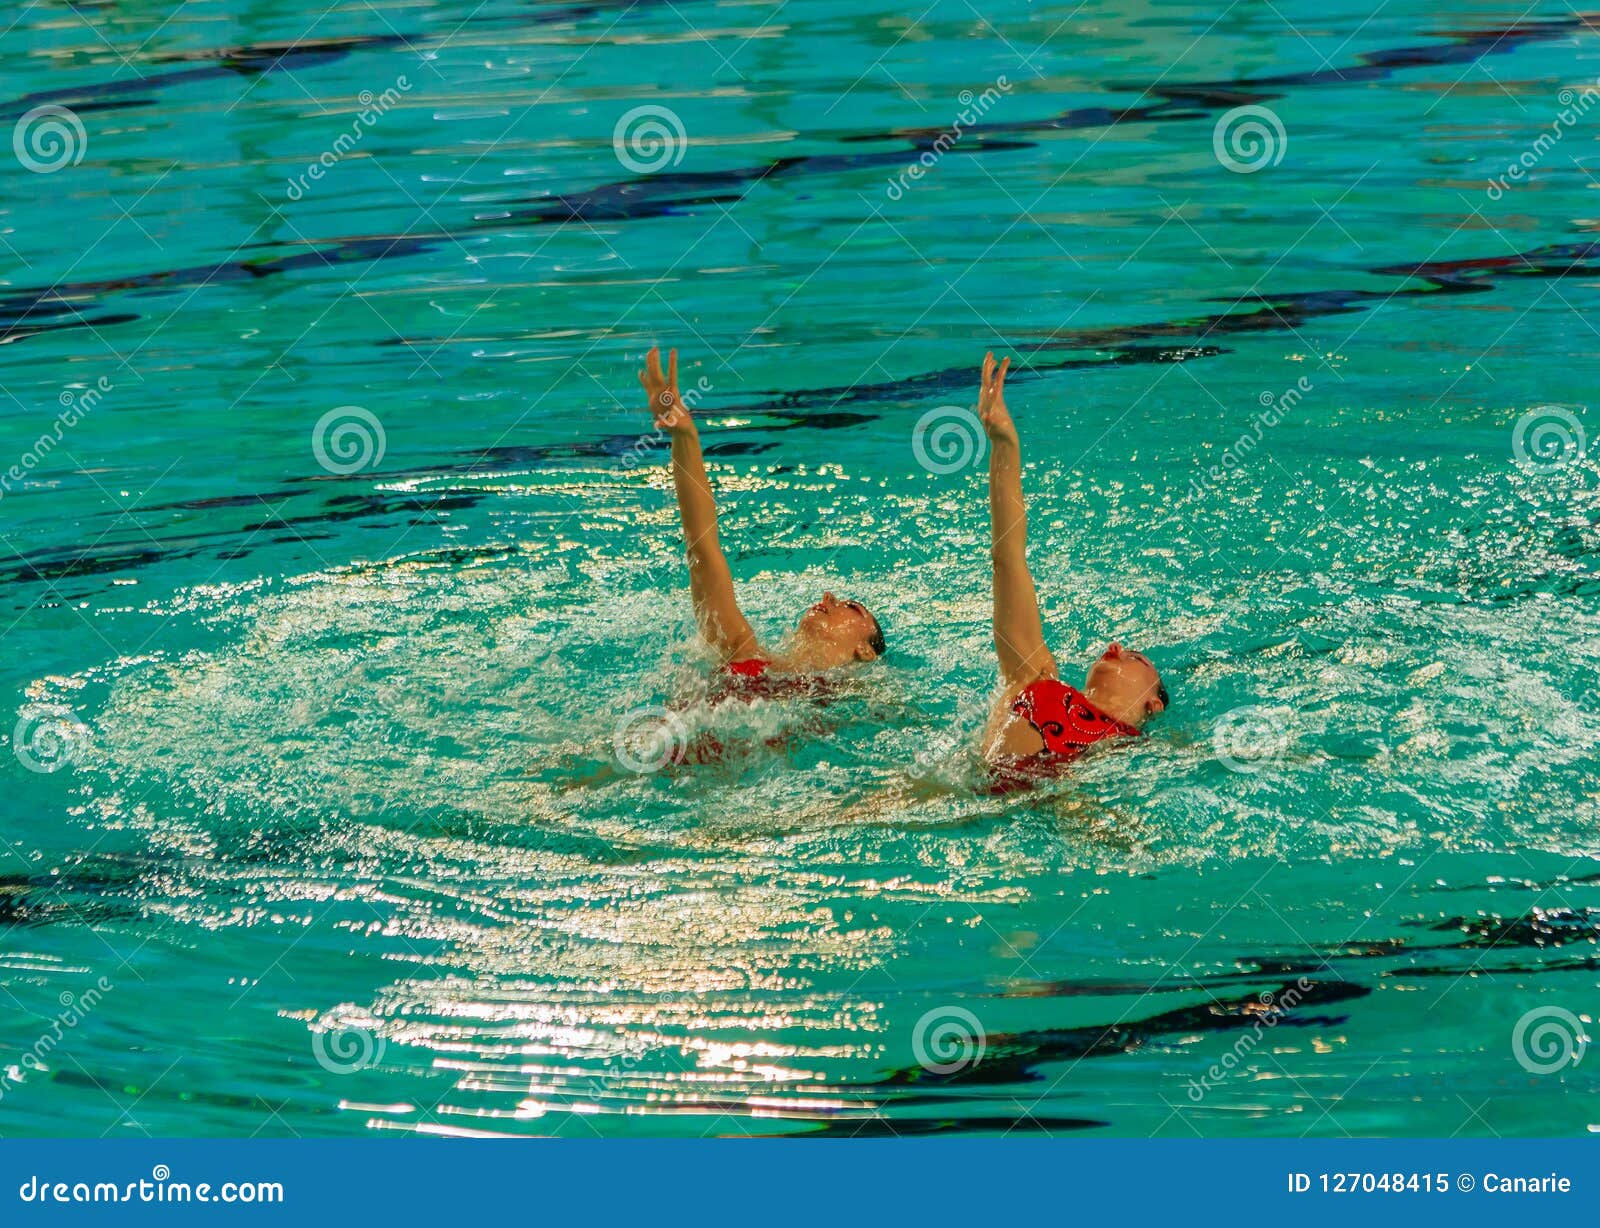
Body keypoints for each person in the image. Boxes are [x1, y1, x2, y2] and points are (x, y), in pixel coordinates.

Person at [638, 345, 886, 689]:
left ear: (865, 651)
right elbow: (702, 547)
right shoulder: (742, 649)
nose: (829, 596)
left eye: (851, 607)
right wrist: (685, 435)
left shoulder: (865, 703)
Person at [974, 352, 1167, 777]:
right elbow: (1008, 558)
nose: (1114, 646)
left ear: (1153, 703)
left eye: (1135, 657)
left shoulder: (1136, 753)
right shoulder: (1037, 676)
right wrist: (1005, 445)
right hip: (964, 802)